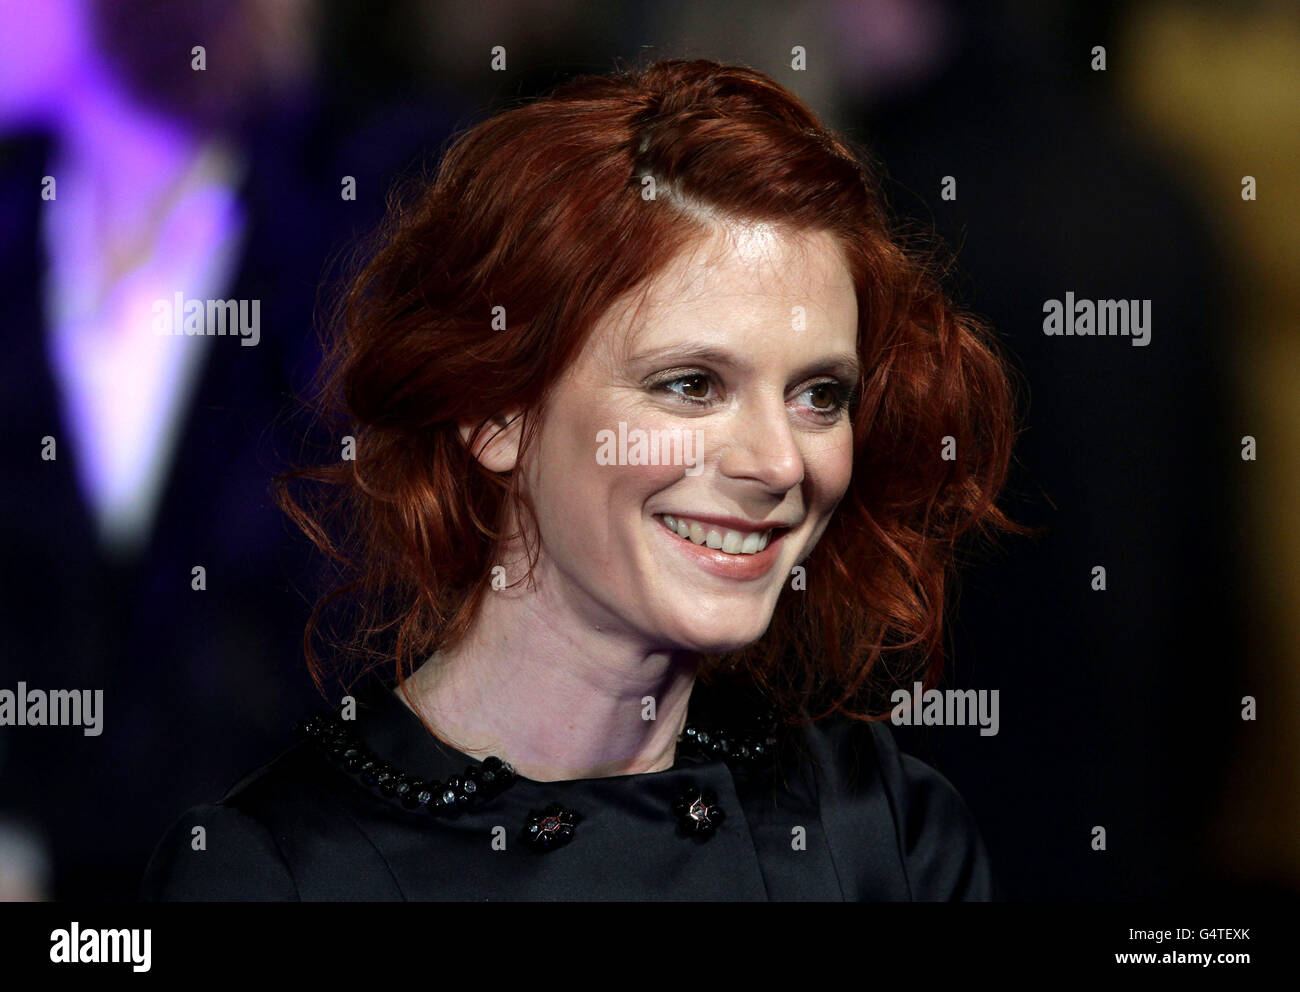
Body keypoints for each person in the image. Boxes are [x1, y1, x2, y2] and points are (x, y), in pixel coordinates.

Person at [140, 58, 1023, 901]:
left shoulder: (885, 835)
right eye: (691, 386)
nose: (780, 462)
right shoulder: (278, 875)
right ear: (495, 413)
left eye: (819, 396)